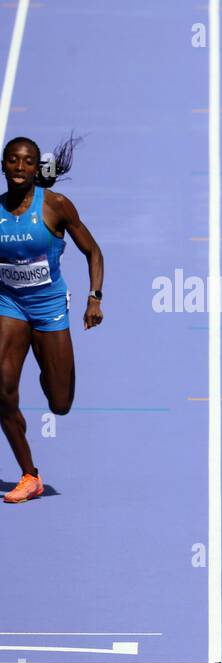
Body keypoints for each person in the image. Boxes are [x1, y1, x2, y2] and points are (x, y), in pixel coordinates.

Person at [0, 135, 103, 503]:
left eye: (27, 162)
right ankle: (29, 475)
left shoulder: (56, 206)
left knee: (60, 403)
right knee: (3, 391)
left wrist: (94, 298)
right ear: (3, 165)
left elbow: (93, 251)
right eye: (12, 160)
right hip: (9, 306)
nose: (19, 167)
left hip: (48, 307)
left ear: (34, 169)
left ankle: (49, 367)